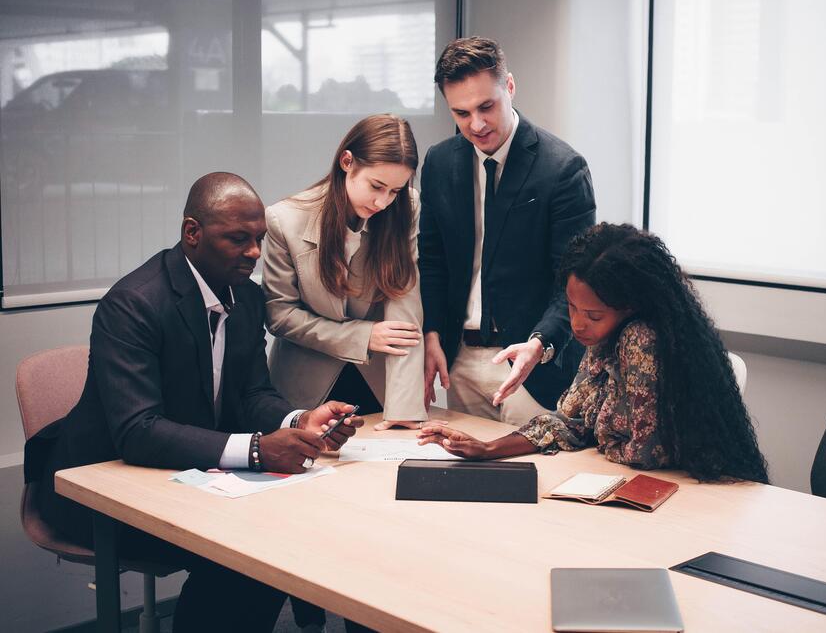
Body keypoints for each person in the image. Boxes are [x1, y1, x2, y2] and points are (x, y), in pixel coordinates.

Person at [23, 173, 363, 632]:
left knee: (276, 537)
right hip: (102, 487)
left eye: (259, 239)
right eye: (238, 239)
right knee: (242, 555)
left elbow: (251, 393)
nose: (254, 253)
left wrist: (300, 418)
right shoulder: (133, 304)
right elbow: (139, 432)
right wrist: (260, 450)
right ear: (192, 233)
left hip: (186, 473)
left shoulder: (245, 294)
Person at [418, 223, 770, 484]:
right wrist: (487, 449)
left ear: (630, 306)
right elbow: (569, 420)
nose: (578, 324)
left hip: (688, 495)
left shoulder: (640, 338)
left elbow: (642, 452)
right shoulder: (605, 337)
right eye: (571, 308)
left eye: (593, 315)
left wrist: (599, 437)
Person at [419, 36, 596, 426]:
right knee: (466, 483)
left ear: (510, 87)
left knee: (536, 483)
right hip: (460, 361)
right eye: (461, 113)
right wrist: (431, 331)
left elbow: (574, 281)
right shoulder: (438, 163)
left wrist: (540, 345)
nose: (476, 124)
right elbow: (432, 260)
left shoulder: (563, 169)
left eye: (487, 106)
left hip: (533, 366)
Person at [263, 114, 443, 432]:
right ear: (347, 161)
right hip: (304, 388)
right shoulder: (284, 220)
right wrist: (362, 336)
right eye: (376, 186)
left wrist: (404, 404)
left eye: (395, 190)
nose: (383, 201)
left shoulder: (406, 208)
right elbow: (280, 315)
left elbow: (405, 306)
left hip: (378, 385)